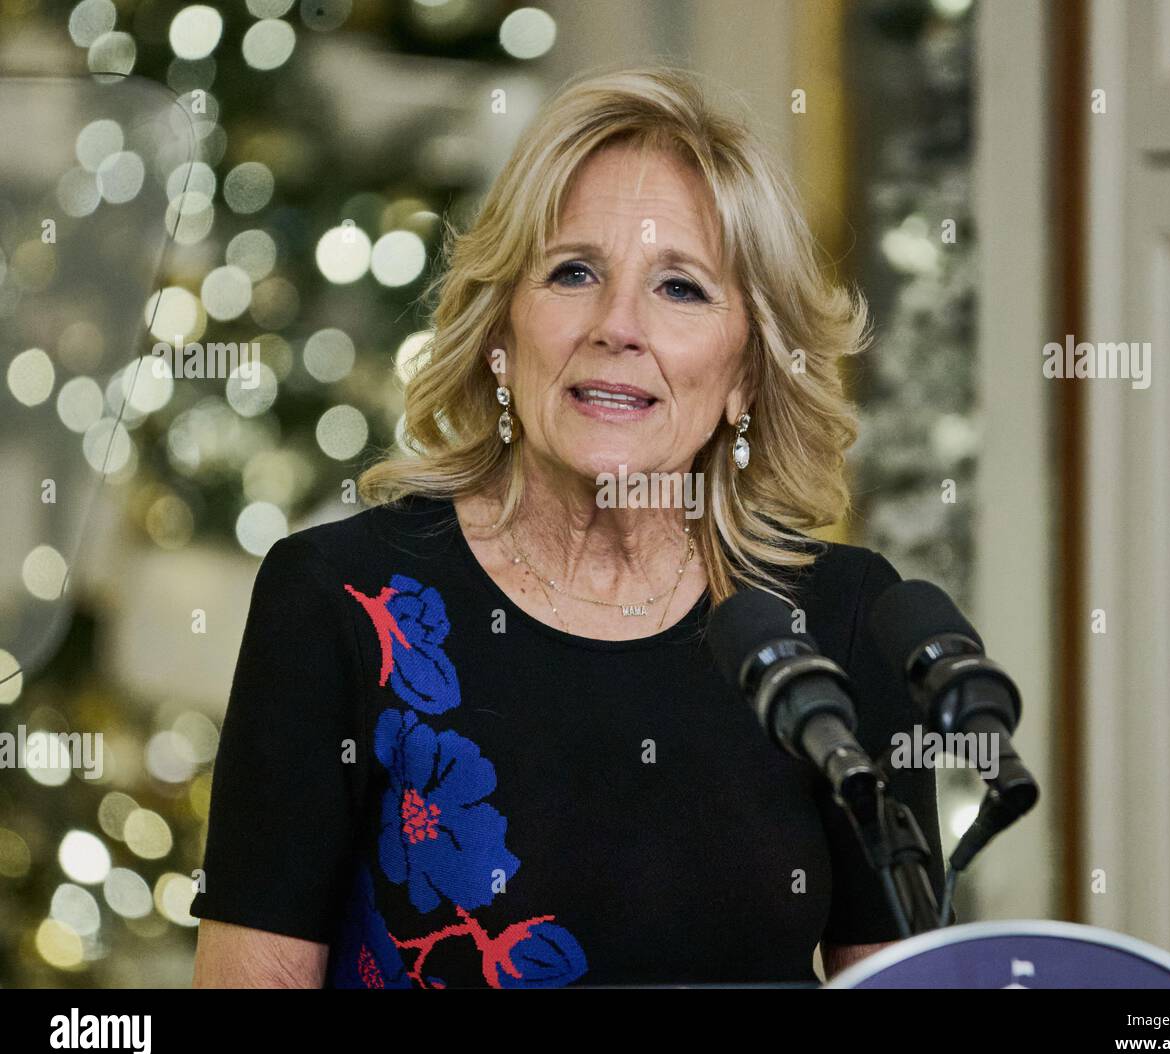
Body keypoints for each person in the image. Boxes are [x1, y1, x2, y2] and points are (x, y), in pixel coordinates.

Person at [191, 65, 946, 988]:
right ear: (501, 336)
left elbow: (900, 980)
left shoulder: (845, 621)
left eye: (682, 289)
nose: (617, 325)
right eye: (574, 272)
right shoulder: (339, 602)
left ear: (748, 371)